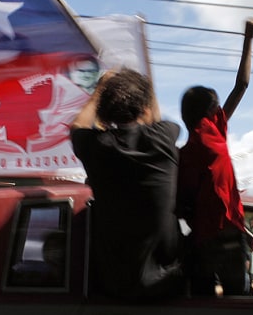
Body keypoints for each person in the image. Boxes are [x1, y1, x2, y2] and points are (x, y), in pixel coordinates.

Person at [69, 69, 184, 299]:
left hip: (113, 285)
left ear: (105, 113)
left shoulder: (97, 147)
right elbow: (154, 120)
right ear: (145, 108)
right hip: (168, 285)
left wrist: (100, 89)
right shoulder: (164, 136)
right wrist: (147, 86)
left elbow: (77, 127)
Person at [176, 17, 253, 297]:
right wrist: (248, 39)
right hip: (229, 238)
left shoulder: (185, 152)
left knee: (203, 305)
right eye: (216, 105)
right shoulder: (213, 131)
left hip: (204, 240)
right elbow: (242, 85)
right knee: (240, 305)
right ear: (211, 113)